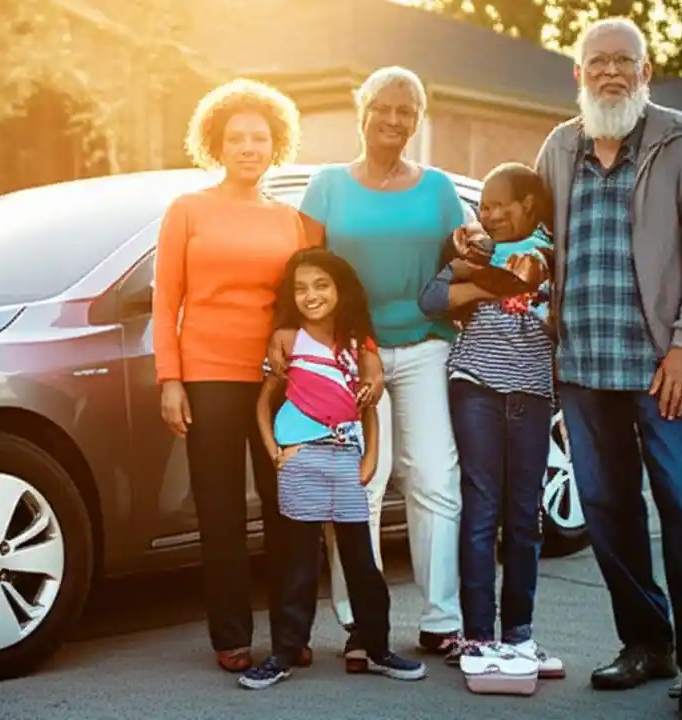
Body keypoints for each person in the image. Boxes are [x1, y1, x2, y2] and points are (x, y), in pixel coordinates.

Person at [530, 17, 682, 719]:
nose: (611, 72)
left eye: (625, 62)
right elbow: (536, 243)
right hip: (584, 367)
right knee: (610, 514)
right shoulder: (559, 146)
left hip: (661, 367)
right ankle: (648, 642)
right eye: (598, 62)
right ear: (578, 74)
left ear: (646, 74)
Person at [271, 65, 466, 667]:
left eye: (406, 110)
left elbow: (462, 268)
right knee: (359, 486)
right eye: (383, 106)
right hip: (348, 355)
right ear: (363, 111)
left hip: (425, 347)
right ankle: (362, 623)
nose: (393, 118)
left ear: (417, 120)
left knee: (434, 476)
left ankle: (441, 621)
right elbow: (301, 265)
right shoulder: (328, 185)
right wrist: (284, 323)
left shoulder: (438, 190)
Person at [154, 78, 325, 673]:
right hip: (206, 378)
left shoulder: (293, 222)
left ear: (276, 145)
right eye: (236, 138)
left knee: (288, 506)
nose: (248, 147)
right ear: (216, 145)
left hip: (281, 382)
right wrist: (169, 379)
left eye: (259, 137)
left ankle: (292, 631)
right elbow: (166, 300)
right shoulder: (187, 210)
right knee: (220, 509)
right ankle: (230, 634)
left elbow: (308, 302)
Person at [239, 248, 426, 689]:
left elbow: (369, 406)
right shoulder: (286, 340)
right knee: (299, 563)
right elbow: (265, 401)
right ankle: (284, 652)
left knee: (360, 559)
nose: (311, 295)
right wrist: (274, 451)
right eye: (301, 288)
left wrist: (371, 458)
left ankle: (377, 647)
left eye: (321, 285)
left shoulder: (357, 343)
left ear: (342, 290)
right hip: (300, 458)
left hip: (346, 460)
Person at [419, 162, 566, 685]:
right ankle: (479, 635)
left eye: (503, 204)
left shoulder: (555, 255)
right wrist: (483, 278)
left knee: (525, 518)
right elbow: (433, 300)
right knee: (481, 510)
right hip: (476, 386)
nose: (492, 214)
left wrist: (479, 282)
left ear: (530, 205)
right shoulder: (472, 252)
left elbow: (560, 315)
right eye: (484, 207)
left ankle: (519, 634)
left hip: (531, 393)